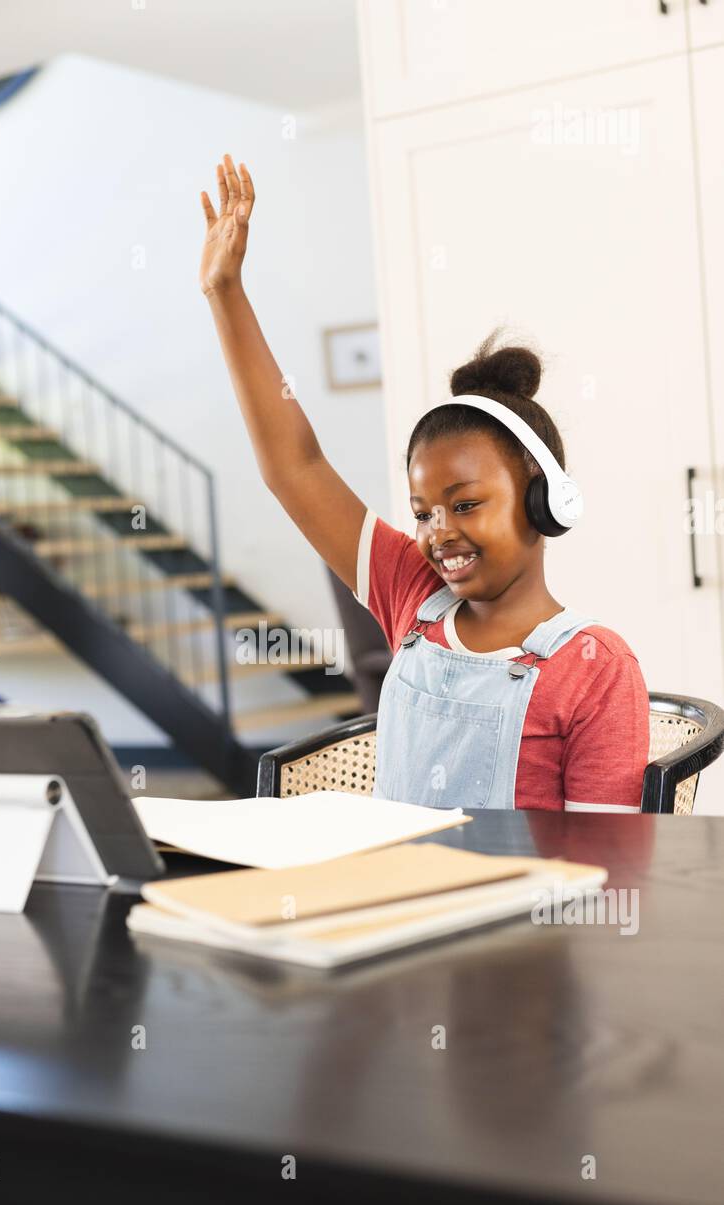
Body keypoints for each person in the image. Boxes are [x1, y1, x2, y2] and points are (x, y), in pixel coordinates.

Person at [199, 153, 649, 812]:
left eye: (464, 504)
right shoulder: (413, 597)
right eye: (422, 511)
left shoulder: (595, 668)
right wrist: (225, 293)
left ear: (540, 497)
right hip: (396, 903)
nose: (438, 533)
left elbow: (606, 876)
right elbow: (295, 468)